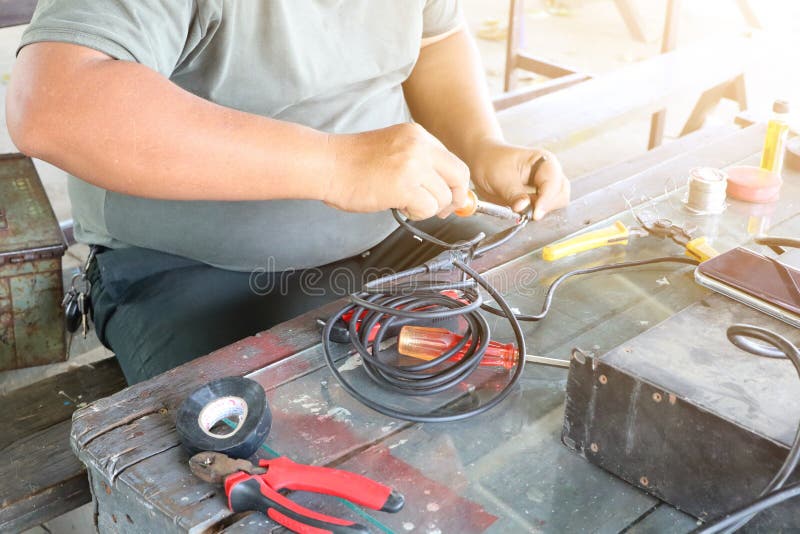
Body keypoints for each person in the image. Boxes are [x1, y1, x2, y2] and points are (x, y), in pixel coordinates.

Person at [6, 1, 570, 384]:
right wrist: (335, 165)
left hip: (398, 229)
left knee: (541, 333)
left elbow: (436, 38)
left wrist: (480, 148)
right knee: (278, 447)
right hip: (187, 270)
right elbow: (54, 105)